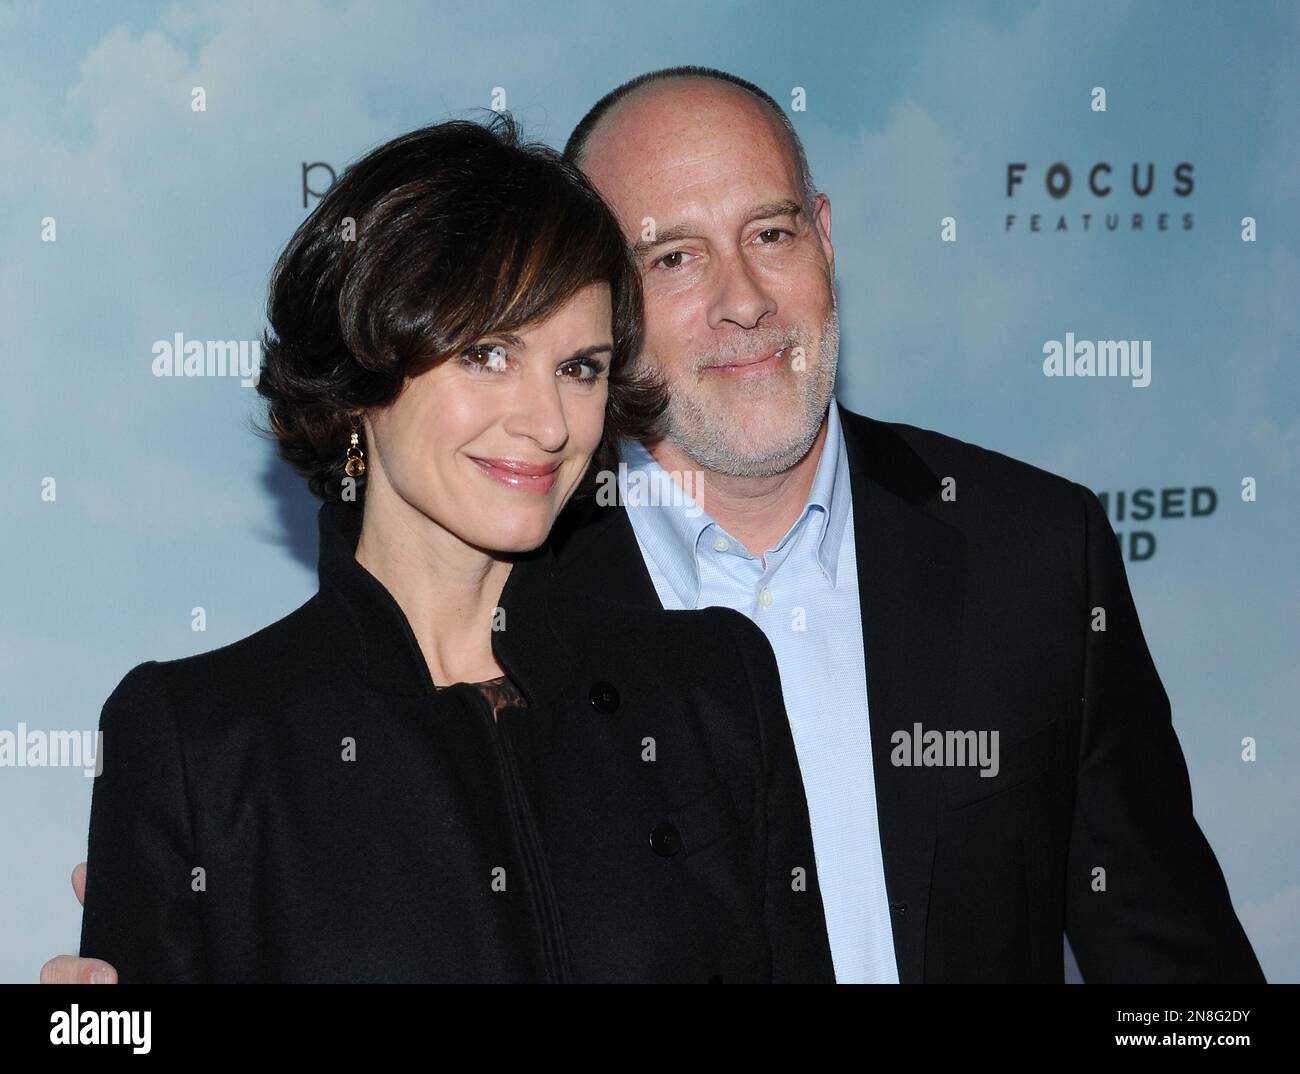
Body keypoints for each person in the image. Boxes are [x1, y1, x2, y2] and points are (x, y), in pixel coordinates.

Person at [48, 66, 1265, 986]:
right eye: (674, 256)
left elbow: (1174, 966)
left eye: (771, 233)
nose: (740, 298)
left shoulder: (980, 572)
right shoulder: (217, 730)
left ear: (826, 239)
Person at [63, 113, 835, 983]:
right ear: (361, 379)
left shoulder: (711, 684)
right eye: (488, 355)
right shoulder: (202, 740)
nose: (548, 424)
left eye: (578, 367)